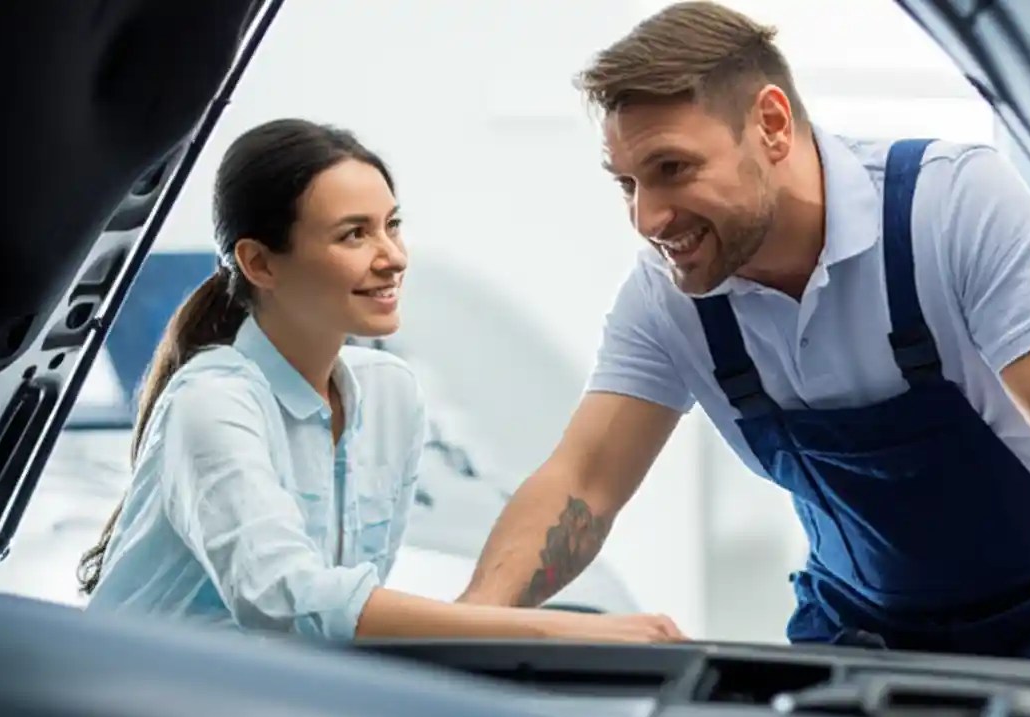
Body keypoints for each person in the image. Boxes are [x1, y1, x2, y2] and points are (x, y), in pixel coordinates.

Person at [455, 3, 1030, 717]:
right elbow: (582, 481)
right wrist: (463, 638)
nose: (647, 217)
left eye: (672, 170)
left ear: (770, 124)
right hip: (859, 641)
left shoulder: (950, 207)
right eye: (626, 183)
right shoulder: (669, 298)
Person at [77, 118, 684, 645]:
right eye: (354, 234)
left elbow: (339, 617)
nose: (391, 255)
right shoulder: (210, 402)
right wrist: (569, 629)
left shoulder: (392, 395)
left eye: (392, 225)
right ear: (260, 263)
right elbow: (287, 600)